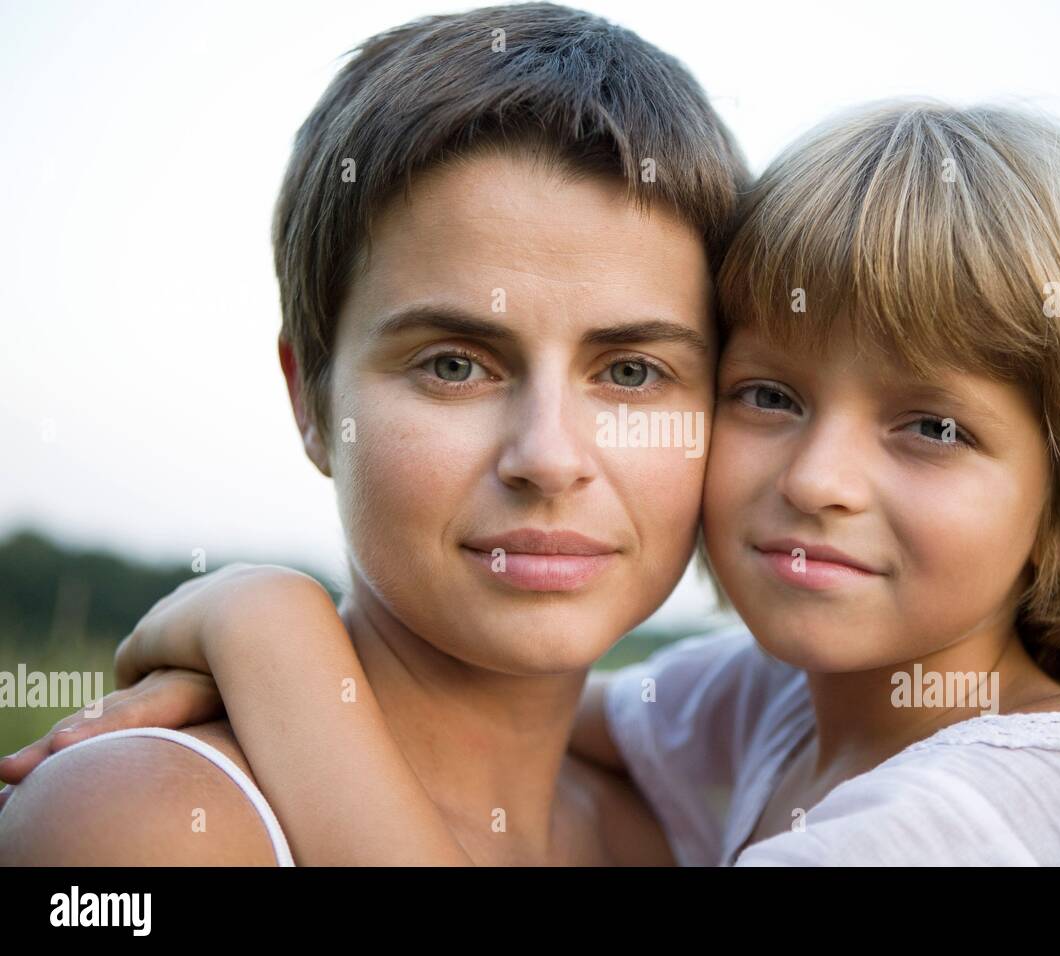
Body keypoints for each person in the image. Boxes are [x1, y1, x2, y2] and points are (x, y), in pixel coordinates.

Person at [0, 2, 749, 866]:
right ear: (310, 399)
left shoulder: (691, 825)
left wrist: (271, 635)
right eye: (455, 365)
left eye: (629, 373)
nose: (548, 457)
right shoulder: (152, 824)